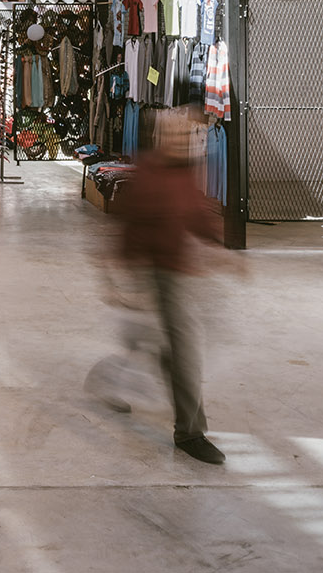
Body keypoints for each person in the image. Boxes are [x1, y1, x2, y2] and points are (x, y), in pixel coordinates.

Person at [91, 106, 227, 466]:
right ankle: (189, 432)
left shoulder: (182, 172)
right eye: (177, 134)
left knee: (160, 348)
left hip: (177, 272)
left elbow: (193, 211)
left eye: (188, 136)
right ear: (161, 138)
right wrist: (118, 281)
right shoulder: (149, 176)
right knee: (182, 351)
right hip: (157, 274)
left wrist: (218, 247)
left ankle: (106, 378)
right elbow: (127, 232)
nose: (184, 140)